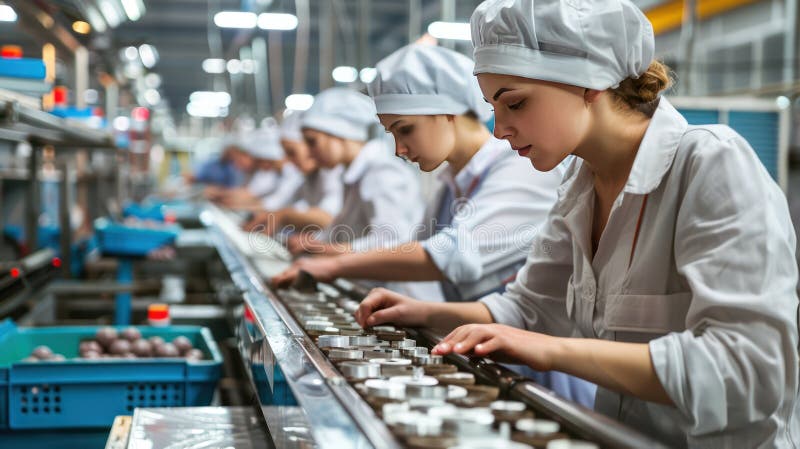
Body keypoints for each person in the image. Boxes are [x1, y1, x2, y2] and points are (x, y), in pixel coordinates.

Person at [354, 1, 800, 447]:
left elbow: (750, 371)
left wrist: (552, 351)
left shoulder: (708, 165)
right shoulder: (579, 185)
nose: (499, 129)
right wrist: (426, 313)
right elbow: (530, 310)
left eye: (515, 103)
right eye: (494, 106)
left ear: (589, 83)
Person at [284, 87, 422, 256]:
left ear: (338, 132)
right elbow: (343, 228)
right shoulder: (353, 173)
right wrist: (314, 241)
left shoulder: (382, 172)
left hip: (393, 282)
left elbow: (390, 241)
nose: (310, 153)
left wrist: (323, 249)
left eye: (313, 142)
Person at [242, 111, 344, 235]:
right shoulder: (308, 177)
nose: (288, 161)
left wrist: (283, 215)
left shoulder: (334, 172)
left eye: (292, 153)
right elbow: (278, 203)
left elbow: (327, 217)